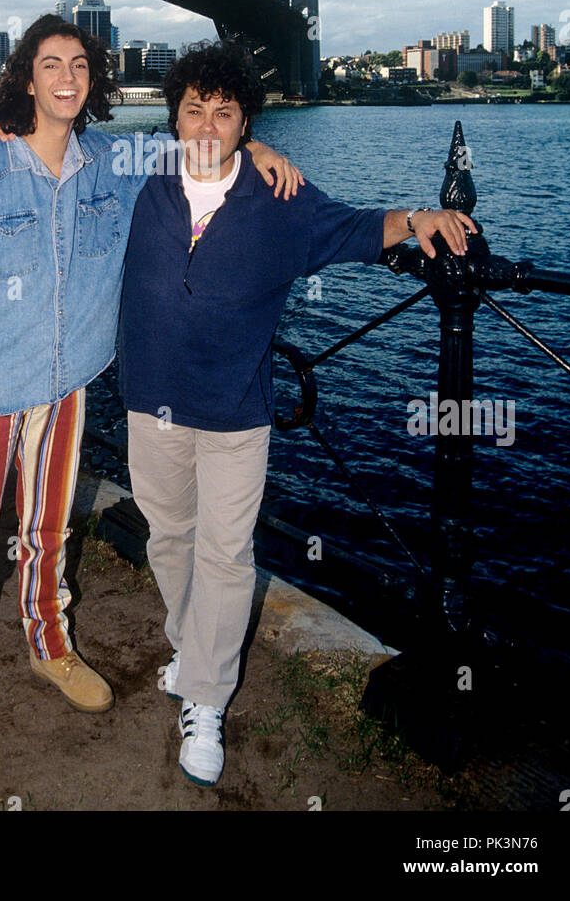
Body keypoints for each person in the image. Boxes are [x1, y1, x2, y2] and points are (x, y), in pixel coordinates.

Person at [0, 14, 299, 790]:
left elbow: (197, 143)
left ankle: (49, 645)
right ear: (26, 78)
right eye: (49, 63)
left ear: (93, 82)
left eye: (79, 64)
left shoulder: (113, 162)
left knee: (49, 531)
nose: (65, 76)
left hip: (66, 386)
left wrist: (251, 144)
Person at [118, 40, 476, 787]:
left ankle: (207, 700)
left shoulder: (280, 201)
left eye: (226, 112)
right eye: (195, 110)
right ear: (173, 117)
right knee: (168, 535)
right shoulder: (139, 176)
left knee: (225, 553)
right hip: (148, 400)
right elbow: (65, 144)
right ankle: (190, 642)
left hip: (235, 412)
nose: (208, 126)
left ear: (245, 119)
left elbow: (352, 229)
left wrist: (419, 218)